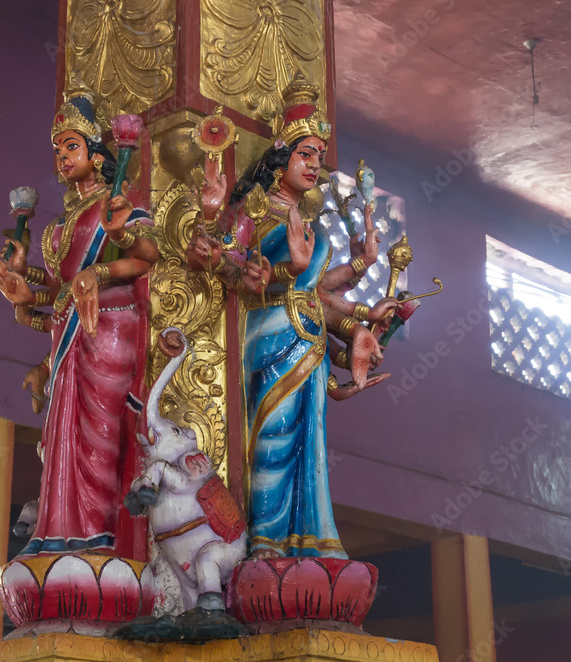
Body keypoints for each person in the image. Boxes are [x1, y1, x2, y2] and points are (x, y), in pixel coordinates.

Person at [186, 73, 397, 560]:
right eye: (305, 154)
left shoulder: (313, 225)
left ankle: (309, 543)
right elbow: (229, 268)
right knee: (274, 440)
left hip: (311, 342)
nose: (314, 165)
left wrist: (363, 302)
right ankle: (266, 546)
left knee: (311, 448)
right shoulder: (255, 215)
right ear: (282, 157)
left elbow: (318, 291)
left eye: (320, 157)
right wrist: (217, 218)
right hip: (269, 337)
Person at [0, 86, 159, 556]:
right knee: (63, 436)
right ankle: (62, 533)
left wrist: (101, 266)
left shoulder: (116, 206)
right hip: (70, 337)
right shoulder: (57, 229)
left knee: (100, 434)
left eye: (72, 147)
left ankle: (100, 537)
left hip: (109, 335)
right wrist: (26, 288)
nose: (63, 157)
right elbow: (59, 291)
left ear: (98, 155)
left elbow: (146, 255)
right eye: (58, 149)